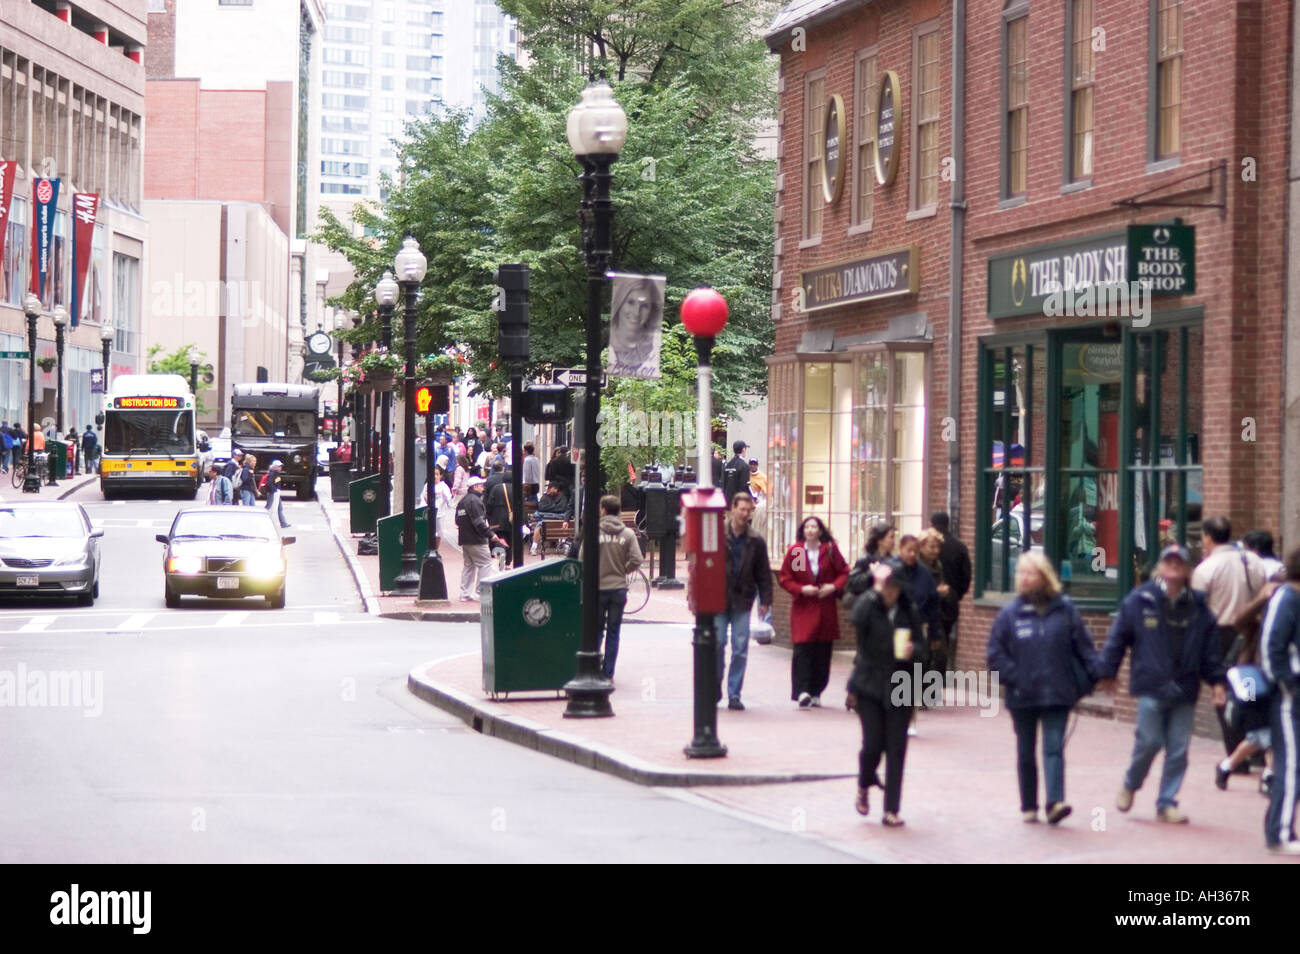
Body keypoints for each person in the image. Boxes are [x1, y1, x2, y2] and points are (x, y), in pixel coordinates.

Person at [1098, 544, 1228, 824]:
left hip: (1185, 686)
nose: (1174, 566)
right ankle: (1131, 784)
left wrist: (1218, 682)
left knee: (1179, 748)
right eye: (1169, 561)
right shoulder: (1139, 600)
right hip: (1152, 683)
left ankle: (1166, 802)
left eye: (1179, 562)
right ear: (1160, 566)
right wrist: (1108, 670)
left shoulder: (1199, 608)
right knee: (1149, 741)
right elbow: (1118, 638)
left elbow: (1210, 651)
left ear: (1187, 569)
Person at [986, 553, 1102, 825]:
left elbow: (1084, 648)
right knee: (1026, 751)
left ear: (1044, 576)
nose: (1024, 578)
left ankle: (1055, 802)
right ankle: (1028, 805)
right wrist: (1017, 677)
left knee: (1053, 748)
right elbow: (994, 654)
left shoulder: (1065, 610)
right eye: (1021, 573)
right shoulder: (1009, 614)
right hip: (1022, 695)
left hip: (1057, 692)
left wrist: (1097, 675)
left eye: (1030, 573)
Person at [847, 557, 923, 826]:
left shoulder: (908, 611)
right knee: (873, 745)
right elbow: (854, 618)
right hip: (869, 683)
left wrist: (915, 651)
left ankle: (892, 809)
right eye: (886, 586)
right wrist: (873, 590)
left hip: (900, 684)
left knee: (896, 747)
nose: (890, 592)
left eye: (895, 587)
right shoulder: (869, 605)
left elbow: (923, 648)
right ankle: (864, 784)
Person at [1192, 515, 1267, 758]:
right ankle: (1254, 747)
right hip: (1252, 632)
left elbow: (1197, 611)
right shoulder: (1253, 560)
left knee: (1222, 691)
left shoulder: (1205, 569)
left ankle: (1236, 753)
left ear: (1208, 538)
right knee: (1251, 688)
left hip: (1220, 635)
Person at [1214, 572, 1284, 792]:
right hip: (1252, 680)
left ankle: (1263, 775)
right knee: (1259, 733)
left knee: (1272, 730)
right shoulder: (1257, 619)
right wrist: (1262, 598)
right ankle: (1235, 767)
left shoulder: (1289, 613)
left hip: (1277, 681)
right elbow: (1238, 621)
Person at [778, 515, 849, 708]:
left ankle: (817, 690)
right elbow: (787, 578)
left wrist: (833, 587)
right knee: (803, 649)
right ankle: (802, 691)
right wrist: (801, 589)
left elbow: (844, 572)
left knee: (823, 651)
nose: (810, 530)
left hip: (825, 607)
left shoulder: (830, 551)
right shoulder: (798, 552)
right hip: (804, 607)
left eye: (814, 527)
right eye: (807, 527)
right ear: (803, 531)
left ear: (820, 531)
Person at [575, 495, 644, 681]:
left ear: (603, 510)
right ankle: (608, 672)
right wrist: (622, 569)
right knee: (614, 631)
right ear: (619, 511)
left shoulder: (593, 532)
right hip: (618, 588)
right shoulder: (627, 534)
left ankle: (593, 666)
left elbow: (582, 559)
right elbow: (637, 559)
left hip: (597, 588)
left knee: (596, 630)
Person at [716, 492, 772, 711]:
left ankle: (734, 693)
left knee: (740, 648)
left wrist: (765, 600)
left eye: (749, 510)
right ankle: (715, 686)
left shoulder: (756, 541)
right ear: (733, 509)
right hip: (719, 599)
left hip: (742, 600)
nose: (746, 514)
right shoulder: (718, 535)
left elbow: (763, 573)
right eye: (742, 509)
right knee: (718, 643)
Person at [1262, 547, 1300, 853]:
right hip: (1290, 697)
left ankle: (1282, 827)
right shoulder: (1286, 599)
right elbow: (1271, 647)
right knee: (1291, 764)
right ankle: (1281, 832)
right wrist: (1287, 683)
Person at [931, 511, 972, 662]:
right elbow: (966, 576)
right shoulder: (959, 547)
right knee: (945, 636)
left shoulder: (928, 547)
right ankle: (939, 672)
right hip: (951, 601)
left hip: (933, 601)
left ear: (932, 524)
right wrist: (957, 594)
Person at [455, 476, 504, 601]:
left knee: (469, 565)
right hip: (477, 539)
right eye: (481, 485)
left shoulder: (462, 501)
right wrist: (490, 534)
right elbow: (479, 522)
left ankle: (464, 593)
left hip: (465, 539)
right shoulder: (475, 501)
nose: (483, 487)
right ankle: (480, 592)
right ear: (475, 487)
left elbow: (457, 520)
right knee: (485, 564)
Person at [917, 528, 956, 674]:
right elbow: (918, 593)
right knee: (924, 657)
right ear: (921, 547)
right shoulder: (918, 567)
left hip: (935, 617)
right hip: (920, 619)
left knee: (940, 656)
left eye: (938, 547)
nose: (935, 550)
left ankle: (931, 692)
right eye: (932, 547)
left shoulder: (937, 566)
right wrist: (937, 593)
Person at [608, 274, 662, 376]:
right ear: (620, 302)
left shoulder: (655, 348)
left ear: (651, 311)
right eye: (631, 302)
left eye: (644, 306)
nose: (637, 312)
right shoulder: (608, 346)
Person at [721, 440, 751, 504]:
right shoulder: (744, 466)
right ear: (743, 450)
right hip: (738, 505)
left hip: (727, 503)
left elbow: (724, 484)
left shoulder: (728, 465)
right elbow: (744, 487)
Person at [264, 460, 290, 528]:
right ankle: (264, 519)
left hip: (276, 493)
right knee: (268, 507)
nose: (280, 467)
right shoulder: (272, 474)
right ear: (275, 467)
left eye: (280, 466)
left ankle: (284, 523)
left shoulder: (276, 473)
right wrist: (274, 490)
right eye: (279, 466)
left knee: (279, 508)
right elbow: (269, 483)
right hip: (273, 493)